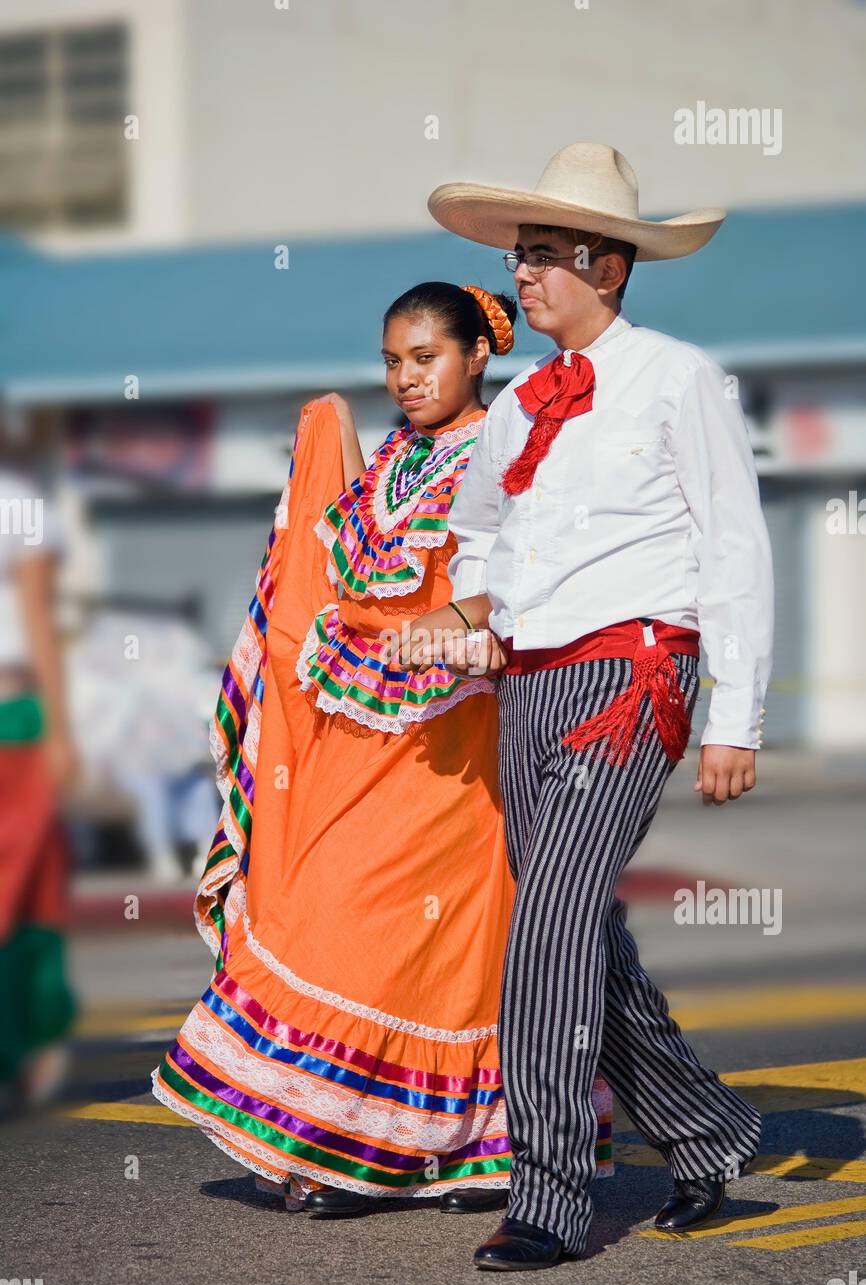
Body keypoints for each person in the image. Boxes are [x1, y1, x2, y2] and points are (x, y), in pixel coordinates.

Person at [151, 281, 616, 1211]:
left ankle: (400, 1153)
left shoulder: (506, 448)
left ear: (478, 356)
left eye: (425, 357)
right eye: (393, 360)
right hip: (366, 739)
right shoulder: (392, 462)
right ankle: (370, 1143)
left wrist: (457, 633)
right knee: (332, 905)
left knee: (402, 930)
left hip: (452, 740)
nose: (405, 377)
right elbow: (334, 580)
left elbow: (525, 577)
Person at [421, 143, 774, 1268]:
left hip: (630, 680)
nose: (517, 278)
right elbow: (477, 531)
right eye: (517, 257)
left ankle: (551, 1187)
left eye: (537, 257)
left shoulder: (676, 377)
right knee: (579, 934)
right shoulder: (518, 401)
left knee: (545, 928)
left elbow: (734, 547)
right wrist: (471, 621)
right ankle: (704, 1130)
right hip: (525, 686)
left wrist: (734, 718)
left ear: (606, 266)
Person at [0, 415, 79, 1115]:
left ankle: (34, 1039)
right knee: (25, 889)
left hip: (15, 718)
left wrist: (58, 730)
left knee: (29, 885)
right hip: (16, 715)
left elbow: (38, 619)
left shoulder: (17, 502)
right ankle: (31, 1040)